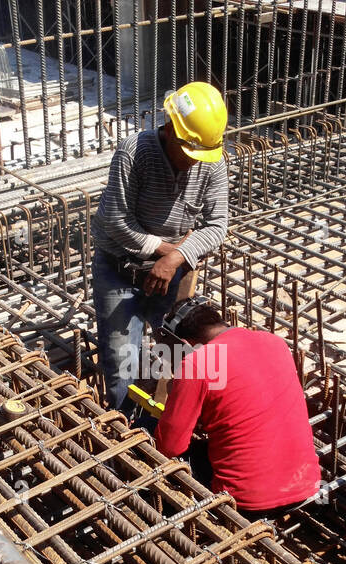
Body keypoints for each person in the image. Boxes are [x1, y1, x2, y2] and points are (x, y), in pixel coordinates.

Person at [90, 81, 229, 413]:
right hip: (120, 271)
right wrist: (169, 252)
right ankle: (130, 437)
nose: (196, 162)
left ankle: (177, 424)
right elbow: (117, 221)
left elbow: (218, 225)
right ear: (170, 129)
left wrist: (179, 257)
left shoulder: (212, 160)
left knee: (180, 356)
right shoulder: (134, 152)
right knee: (124, 367)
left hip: (171, 275)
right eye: (189, 152)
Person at [153, 297, 321, 519]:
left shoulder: (197, 364)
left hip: (244, 502)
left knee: (147, 429)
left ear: (186, 344)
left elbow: (169, 448)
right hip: (306, 486)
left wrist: (179, 393)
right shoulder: (275, 342)